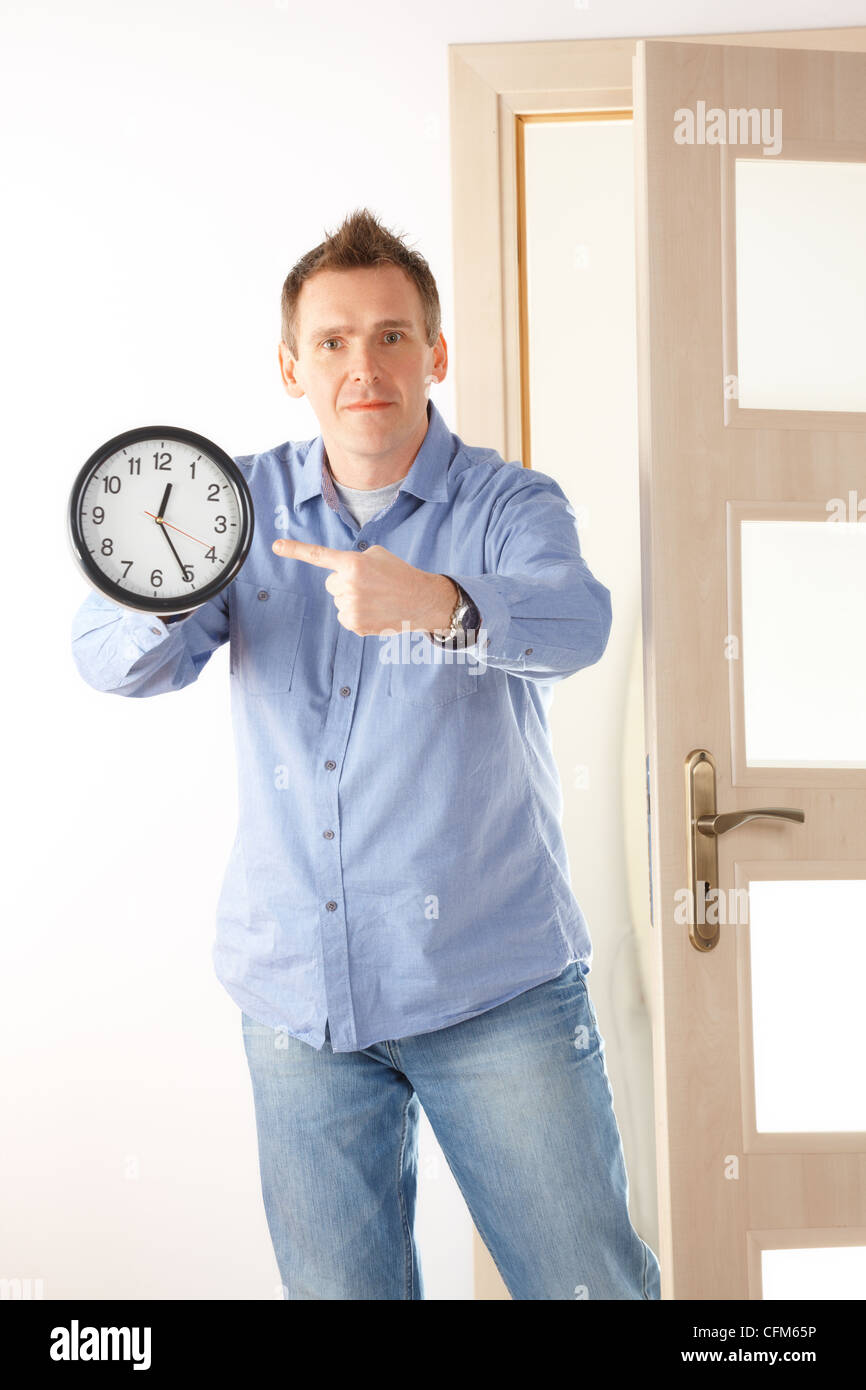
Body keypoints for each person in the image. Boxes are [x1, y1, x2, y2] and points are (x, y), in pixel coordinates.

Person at [71, 206, 661, 1302]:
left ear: (434, 355)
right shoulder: (227, 505)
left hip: (493, 985)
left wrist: (435, 600)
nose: (364, 364)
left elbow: (577, 624)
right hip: (296, 995)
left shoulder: (505, 503)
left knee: (588, 1285)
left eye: (391, 335)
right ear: (291, 366)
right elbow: (109, 661)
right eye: (333, 341)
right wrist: (171, 590)